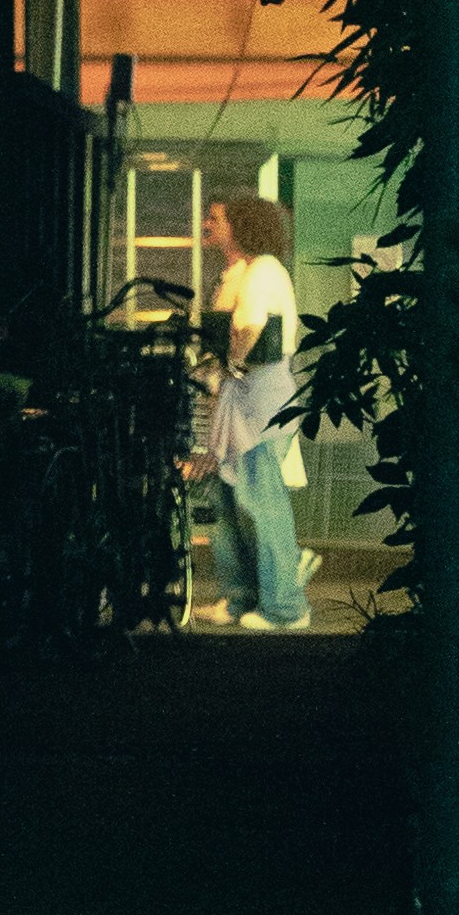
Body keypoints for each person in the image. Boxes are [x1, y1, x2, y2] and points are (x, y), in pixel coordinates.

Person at [194, 190, 310, 629]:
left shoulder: (261, 270)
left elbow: (249, 326)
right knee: (230, 503)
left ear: (240, 225)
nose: (209, 224)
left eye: (217, 217)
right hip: (243, 403)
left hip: (259, 404)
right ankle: (241, 596)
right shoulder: (239, 272)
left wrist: (229, 367)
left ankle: (284, 606)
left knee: (261, 504)